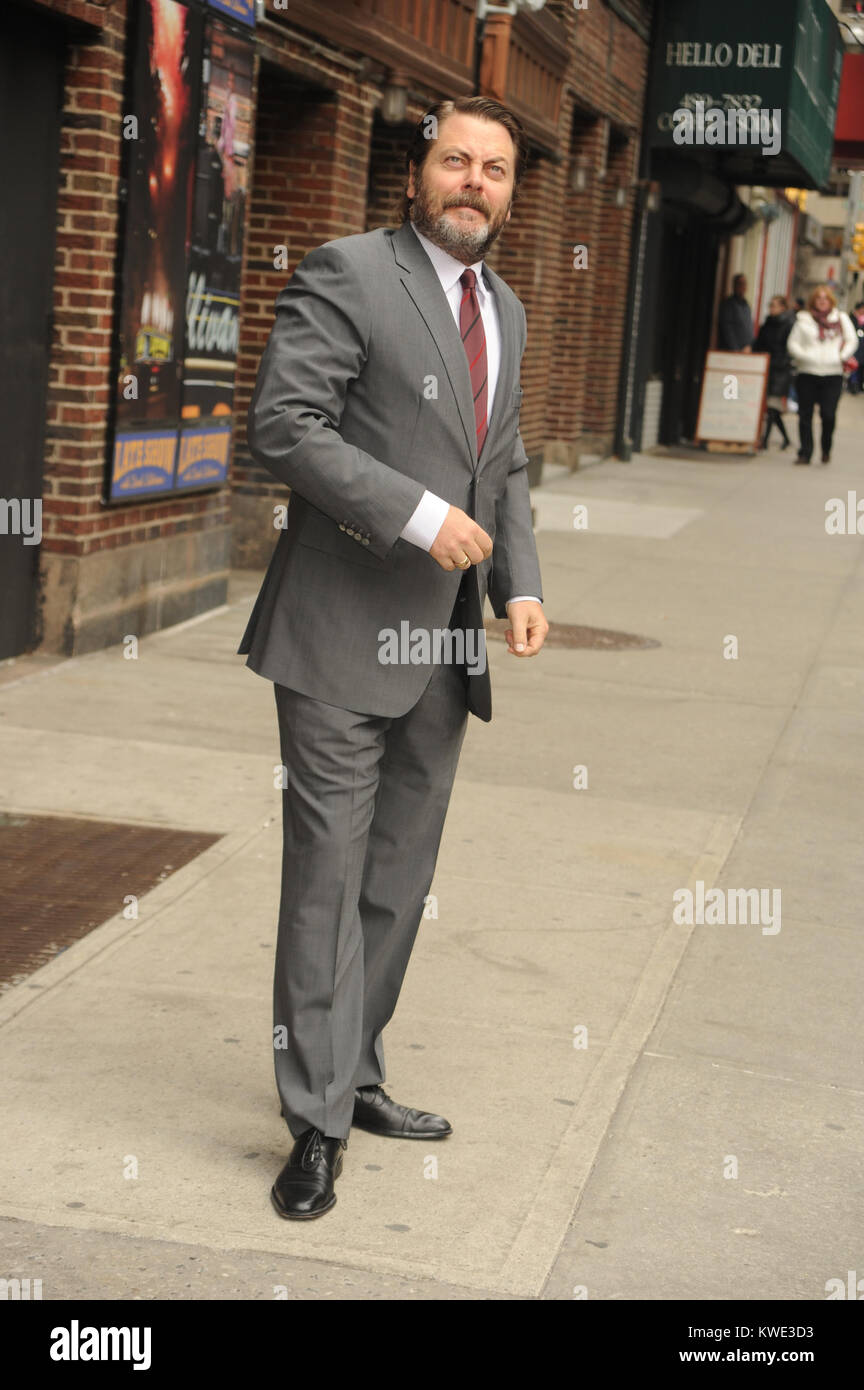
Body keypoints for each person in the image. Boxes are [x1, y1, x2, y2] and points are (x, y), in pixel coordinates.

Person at [238, 96, 548, 1220]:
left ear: (514, 190)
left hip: (443, 645)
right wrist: (418, 515)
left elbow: (502, 459)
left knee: (398, 884)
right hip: (334, 630)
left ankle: (354, 1072)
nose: (475, 182)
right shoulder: (349, 273)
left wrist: (520, 581)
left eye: (497, 169)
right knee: (327, 877)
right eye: (457, 161)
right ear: (418, 173)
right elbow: (285, 424)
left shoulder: (506, 305)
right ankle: (312, 1124)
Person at [786, 284, 858, 464]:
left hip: (832, 373)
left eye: (825, 299)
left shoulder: (840, 318)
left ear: (831, 301)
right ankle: (805, 452)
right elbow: (792, 344)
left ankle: (826, 448)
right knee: (805, 414)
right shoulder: (804, 320)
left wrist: (841, 356)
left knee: (828, 414)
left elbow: (852, 340)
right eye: (819, 299)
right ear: (813, 301)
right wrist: (804, 356)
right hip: (807, 372)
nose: (822, 302)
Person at [753, 294, 796, 450]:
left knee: (772, 406)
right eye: (770, 305)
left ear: (783, 308)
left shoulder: (790, 325)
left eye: (774, 305)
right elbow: (758, 344)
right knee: (773, 409)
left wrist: (784, 362)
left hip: (780, 370)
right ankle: (785, 438)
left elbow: (790, 348)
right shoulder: (767, 324)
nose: (771, 308)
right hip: (766, 367)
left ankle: (765, 440)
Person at [717, 273, 754, 351]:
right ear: (734, 286)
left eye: (744, 284)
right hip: (732, 350)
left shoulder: (746, 305)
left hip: (746, 349)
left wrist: (750, 345)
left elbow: (749, 327)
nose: (742, 286)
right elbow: (727, 328)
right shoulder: (729, 304)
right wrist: (736, 349)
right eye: (739, 284)